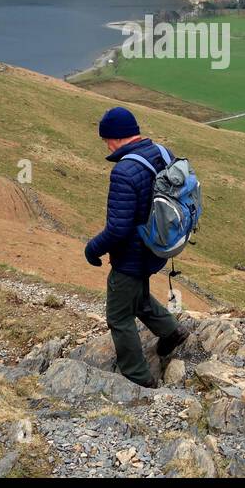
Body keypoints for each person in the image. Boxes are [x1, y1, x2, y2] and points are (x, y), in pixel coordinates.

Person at [84, 106, 187, 387]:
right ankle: (171, 332)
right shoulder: (162, 152)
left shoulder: (124, 172)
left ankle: (138, 378)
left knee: (118, 315)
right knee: (137, 295)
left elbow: (118, 228)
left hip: (132, 253)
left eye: (106, 138)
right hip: (158, 245)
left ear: (116, 137)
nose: (105, 144)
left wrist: (92, 249)